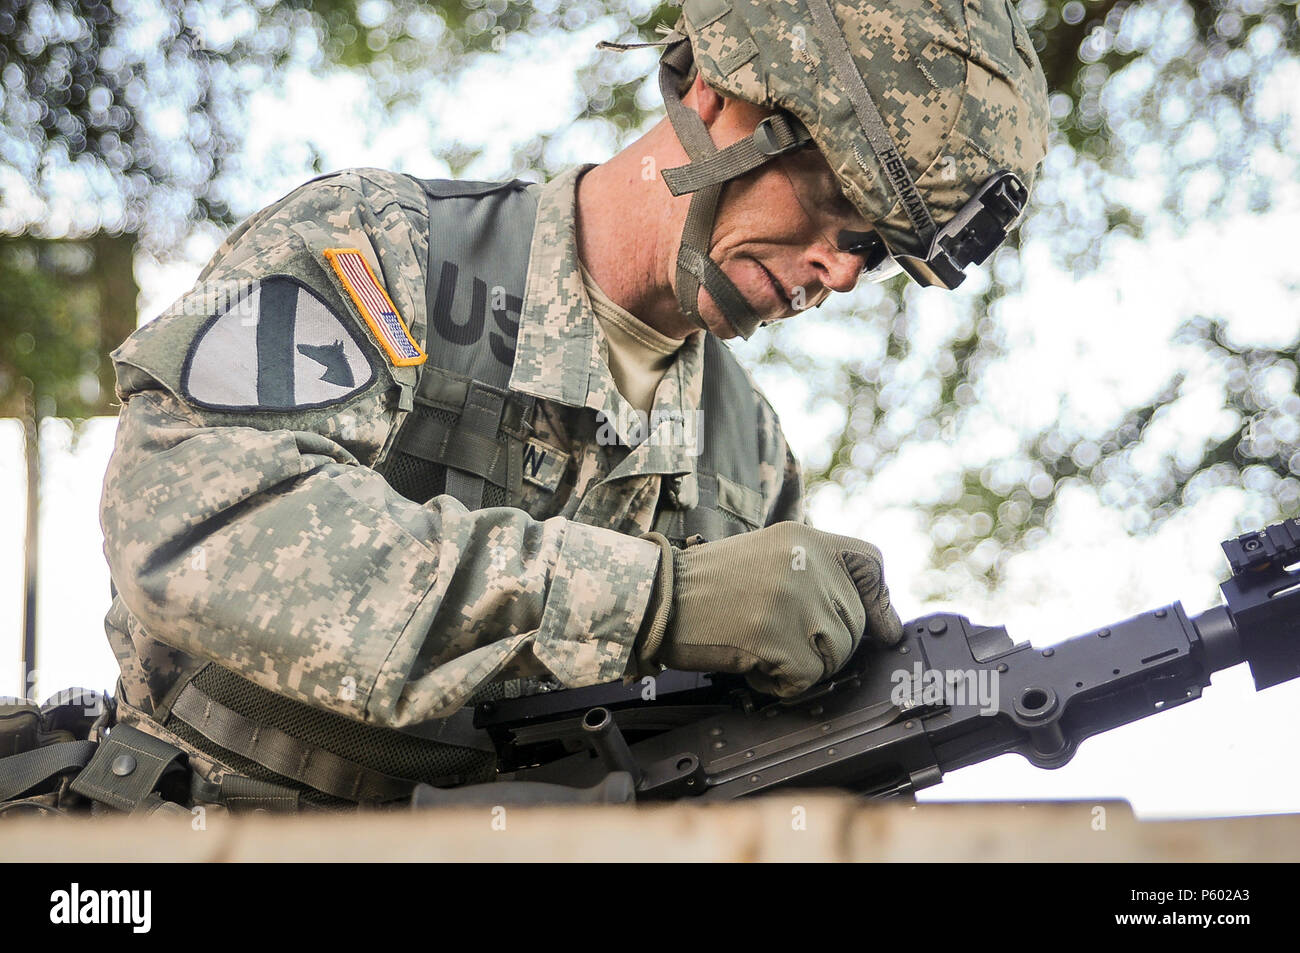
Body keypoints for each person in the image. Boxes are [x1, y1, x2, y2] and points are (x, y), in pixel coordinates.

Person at [80, 0, 1049, 811]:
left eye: (875, 254)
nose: (838, 271)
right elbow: (193, 519)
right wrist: (655, 602)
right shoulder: (383, 248)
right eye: (838, 207)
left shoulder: (747, 451)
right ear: (721, 97)